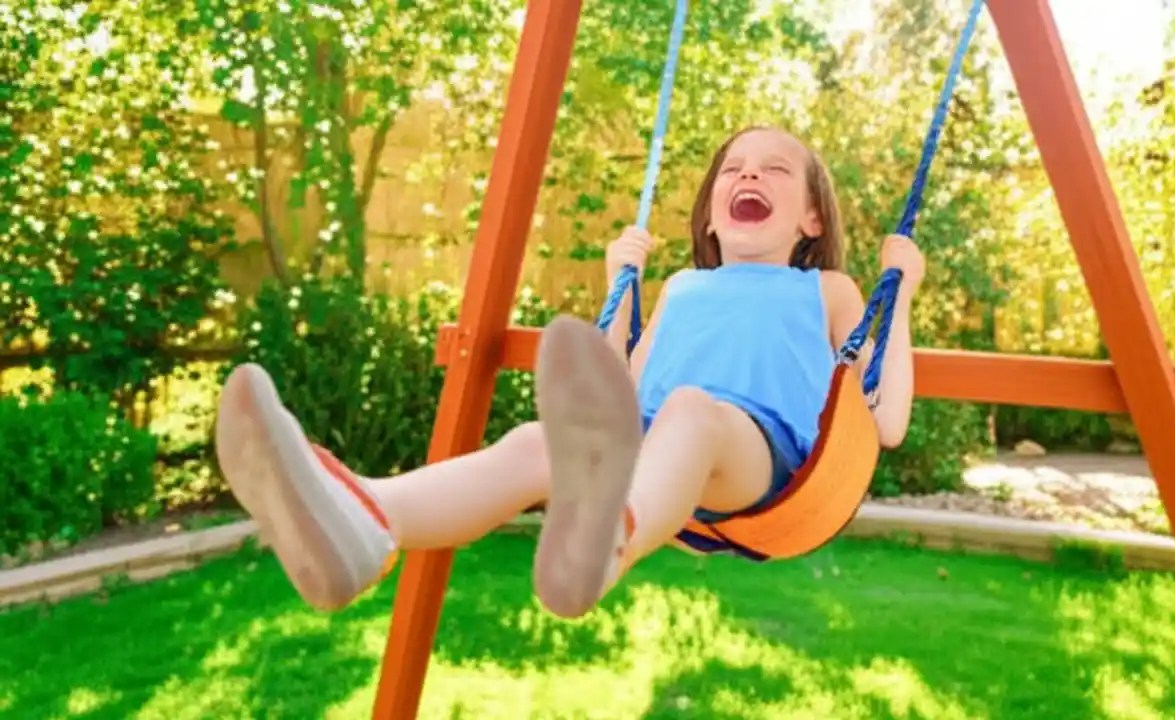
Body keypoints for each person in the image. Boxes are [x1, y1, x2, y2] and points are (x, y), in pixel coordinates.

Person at [214, 126, 924, 620]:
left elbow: (884, 421)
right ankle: (364, 519)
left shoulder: (827, 291)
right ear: (710, 218)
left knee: (689, 413)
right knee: (533, 442)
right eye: (734, 169)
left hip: (758, 464)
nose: (748, 175)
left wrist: (903, 292)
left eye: (774, 170)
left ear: (808, 219)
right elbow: (616, 387)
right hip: (653, 448)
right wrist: (622, 284)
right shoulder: (681, 288)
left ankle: (604, 539)